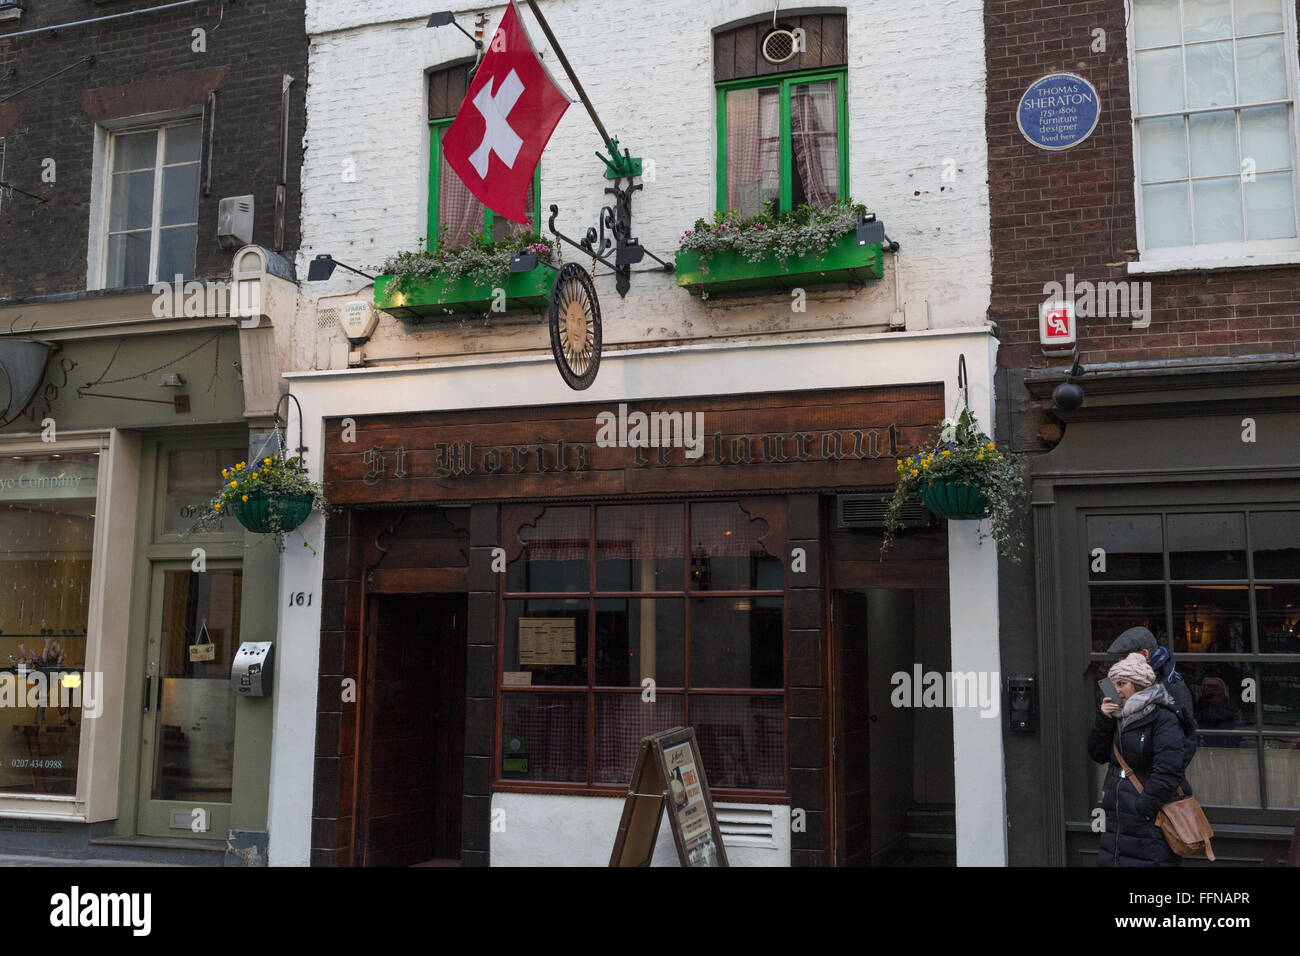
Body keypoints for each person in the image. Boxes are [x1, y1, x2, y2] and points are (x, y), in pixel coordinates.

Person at [1088, 653, 1191, 867]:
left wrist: (1142, 807)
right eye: (1113, 684)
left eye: (1122, 683)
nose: (1116, 690)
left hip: (1149, 823)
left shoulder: (1163, 717)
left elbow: (1168, 770)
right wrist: (1104, 720)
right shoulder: (1117, 717)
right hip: (1118, 822)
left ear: (1138, 684)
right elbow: (1097, 754)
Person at [1107, 626, 1197, 768]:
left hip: (1154, 778)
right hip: (1125, 776)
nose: (1120, 662)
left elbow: (1188, 740)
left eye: (1124, 657)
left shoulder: (1173, 685)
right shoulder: (1122, 683)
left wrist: (1158, 779)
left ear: (1145, 654)